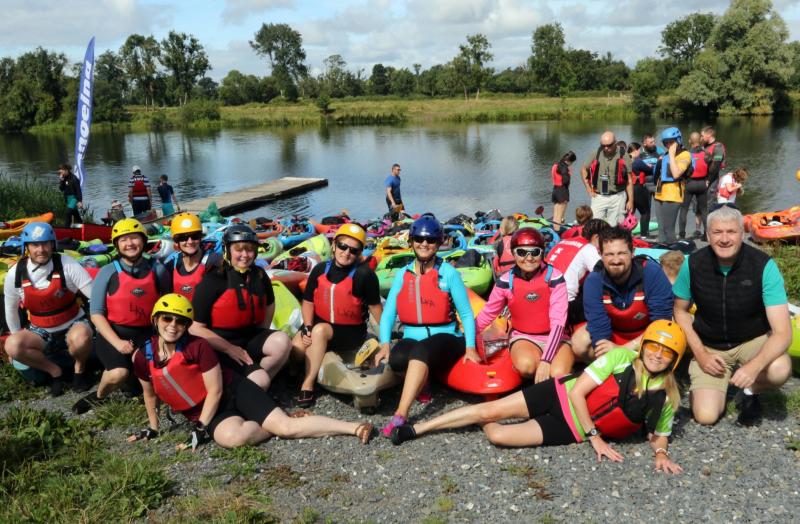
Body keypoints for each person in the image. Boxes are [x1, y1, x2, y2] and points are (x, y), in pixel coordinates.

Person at [389, 319, 686, 475]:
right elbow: (580, 392)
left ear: (675, 358)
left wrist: (661, 453)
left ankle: (488, 409)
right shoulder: (620, 357)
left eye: (666, 352)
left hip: (570, 429)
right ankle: (416, 429)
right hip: (559, 394)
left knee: (498, 436)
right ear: (644, 346)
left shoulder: (668, 396)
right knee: (486, 414)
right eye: (653, 347)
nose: (657, 356)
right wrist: (595, 436)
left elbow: (660, 434)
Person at [128, 294, 373, 450]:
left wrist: (201, 426)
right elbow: (150, 394)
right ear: (156, 320)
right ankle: (275, 421)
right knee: (233, 439)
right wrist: (153, 426)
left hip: (235, 393)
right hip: (212, 414)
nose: (173, 326)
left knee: (286, 429)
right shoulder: (142, 357)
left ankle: (353, 427)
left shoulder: (197, 347)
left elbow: (215, 391)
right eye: (167, 319)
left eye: (180, 322)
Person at [673, 205, 792, 426]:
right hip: (709, 344)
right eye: (717, 232)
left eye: (731, 232)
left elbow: (783, 332)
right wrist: (700, 354)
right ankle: (713, 385)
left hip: (751, 340)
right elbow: (679, 311)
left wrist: (754, 366)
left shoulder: (764, 266)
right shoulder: (693, 263)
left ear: (743, 233)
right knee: (705, 417)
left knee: (780, 369)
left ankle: (748, 389)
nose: (724, 239)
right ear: (708, 235)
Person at [372, 214, 476, 437]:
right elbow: (389, 313)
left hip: (447, 335)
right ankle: (424, 382)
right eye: (419, 239)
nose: (424, 244)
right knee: (398, 359)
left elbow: (466, 314)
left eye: (430, 240)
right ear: (411, 241)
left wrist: (470, 347)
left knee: (420, 351)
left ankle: (401, 415)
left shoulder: (448, 273)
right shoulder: (403, 274)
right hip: (414, 335)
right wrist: (384, 343)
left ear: (439, 244)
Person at [73, 218, 173, 414]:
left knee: (157, 376)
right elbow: (96, 314)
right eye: (123, 240)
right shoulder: (108, 271)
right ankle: (99, 395)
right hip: (113, 335)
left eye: (134, 238)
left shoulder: (157, 269)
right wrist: (118, 342)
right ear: (117, 245)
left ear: (143, 241)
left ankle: (133, 381)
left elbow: (168, 308)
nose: (129, 244)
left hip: (147, 335)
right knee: (119, 373)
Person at [291, 224, 383, 407]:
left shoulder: (365, 275)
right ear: (334, 245)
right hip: (317, 323)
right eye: (342, 246)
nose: (346, 252)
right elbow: (308, 301)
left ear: (359, 253)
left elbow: (376, 309)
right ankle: (295, 371)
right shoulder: (319, 270)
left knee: (319, 331)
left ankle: (307, 385)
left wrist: (386, 339)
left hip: (349, 333)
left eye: (353, 250)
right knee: (296, 348)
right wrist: (307, 326)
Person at [190, 225, 291, 390]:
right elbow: (194, 328)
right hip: (220, 345)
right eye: (239, 249)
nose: (245, 255)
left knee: (282, 342)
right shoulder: (213, 280)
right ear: (227, 250)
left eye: (250, 250)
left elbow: (269, 305)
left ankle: (250, 386)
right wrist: (230, 348)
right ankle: (248, 388)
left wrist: (262, 331)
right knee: (261, 381)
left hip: (249, 337)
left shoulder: (258, 274)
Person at [3, 222, 94, 396]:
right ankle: (55, 372)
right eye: (35, 245)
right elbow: (10, 309)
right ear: (27, 247)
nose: (41, 249)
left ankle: (79, 370)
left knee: (81, 338)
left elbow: (93, 295)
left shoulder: (68, 263)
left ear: (53, 243)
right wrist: (15, 338)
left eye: (45, 243)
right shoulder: (15, 273)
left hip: (73, 322)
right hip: (40, 330)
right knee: (13, 346)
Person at [477, 228, 573, 382]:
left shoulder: (555, 278)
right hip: (524, 336)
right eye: (522, 252)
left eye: (535, 252)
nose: (529, 258)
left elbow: (558, 322)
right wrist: (468, 340)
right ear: (513, 253)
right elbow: (488, 313)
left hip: (557, 336)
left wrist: (546, 360)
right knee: (526, 366)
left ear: (542, 253)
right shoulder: (505, 281)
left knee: (558, 374)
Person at [572, 226, 673, 361]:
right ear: (600, 255)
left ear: (632, 253)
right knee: (579, 343)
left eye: (622, 253)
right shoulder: (594, 281)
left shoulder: (651, 272)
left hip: (646, 332)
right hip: (614, 333)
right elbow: (599, 329)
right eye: (609, 254)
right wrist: (609, 354)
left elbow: (661, 323)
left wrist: (624, 349)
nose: (616, 260)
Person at [545, 218, 610, 325]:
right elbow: (605, 276)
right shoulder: (589, 248)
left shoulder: (563, 241)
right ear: (596, 237)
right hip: (565, 307)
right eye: (606, 240)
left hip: (544, 300)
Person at [581, 131, 632, 227]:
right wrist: (588, 188)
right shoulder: (595, 154)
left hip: (618, 196)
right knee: (594, 225)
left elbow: (629, 180)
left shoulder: (624, 155)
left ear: (615, 143)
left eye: (609, 145)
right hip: (599, 196)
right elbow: (583, 169)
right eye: (603, 145)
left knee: (615, 226)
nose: (606, 148)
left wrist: (631, 200)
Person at [166, 212, 220, 302]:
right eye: (183, 238)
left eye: (195, 236)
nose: (190, 242)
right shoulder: (171, 265)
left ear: (200, 238)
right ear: (176, 241)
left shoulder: (214, 262)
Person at [653, 127, 692, 244]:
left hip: (672, 196)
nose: (669, 145)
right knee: (661, 230)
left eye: (671, 142)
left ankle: (674, 254)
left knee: (668, 229)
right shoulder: (665, 155)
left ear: (678, 140)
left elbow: (676, 174)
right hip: (659, 194)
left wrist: (671, 154)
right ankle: (661, 252)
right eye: (666, 143)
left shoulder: (685, 155)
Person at [679, 132, 711, 240]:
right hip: (702, 184)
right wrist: (708, 180)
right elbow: (712, 169)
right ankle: (707, 235)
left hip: (689, 183)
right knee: (704, 210)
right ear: (700, 140)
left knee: (684, 210)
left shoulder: (686, 154)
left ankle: (682, 235)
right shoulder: (706, 153)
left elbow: (682, 171)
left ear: (689, 141)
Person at [628, 143, 654, 239]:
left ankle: (627, 233)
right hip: (638, 188)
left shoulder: (625, 160)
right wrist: (650, 165)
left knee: (630, 212)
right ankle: (644, 235)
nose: (640, 152)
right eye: (639, 150)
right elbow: (650, 170)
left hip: (628, 190)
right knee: (645, 212)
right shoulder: (637, 162)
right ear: (635, 150)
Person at [702, 126, 727, 209]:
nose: (701, 138)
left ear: (709, 135)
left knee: (710, 205)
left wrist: (709, 180)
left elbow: (716, 165)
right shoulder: (704, 146)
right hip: (703, 179)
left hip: (712, 180)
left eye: (702, 136)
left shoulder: (718, 147)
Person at [551, 151, 577, 226]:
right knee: (560, 216)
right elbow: (565, 181)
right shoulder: (564, 167)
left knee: (555, 216)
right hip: (562, 191)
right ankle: (559, 232)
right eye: (572, 162)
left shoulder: (555, 165)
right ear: (569, 161)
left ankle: (554, 231)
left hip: (555, 190)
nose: (571, 164)